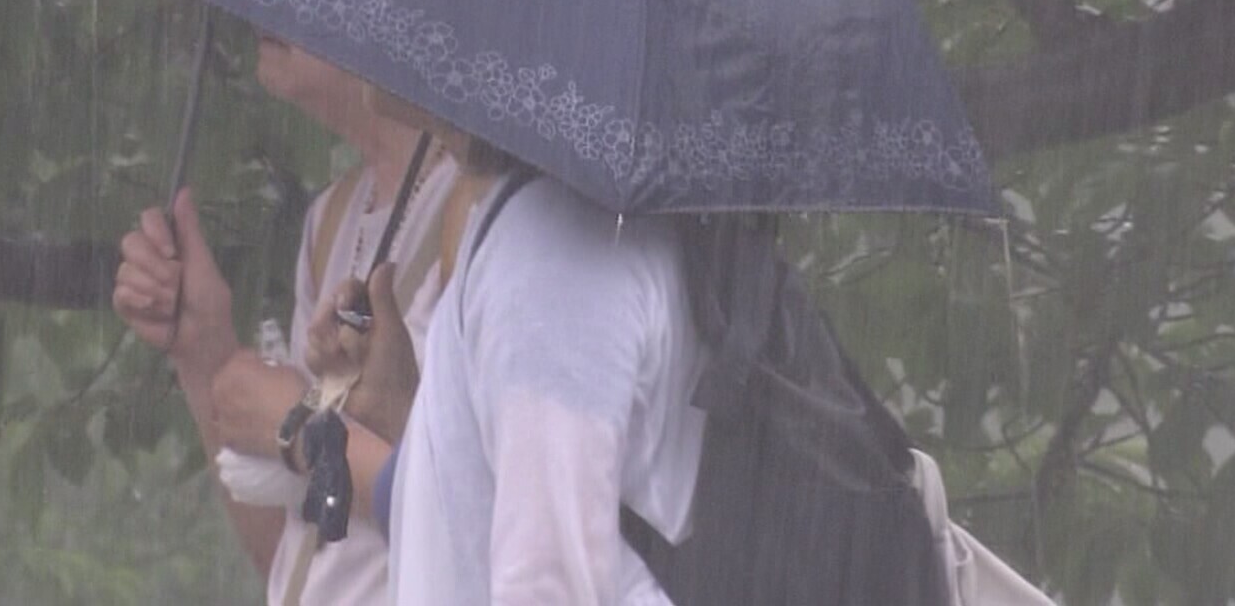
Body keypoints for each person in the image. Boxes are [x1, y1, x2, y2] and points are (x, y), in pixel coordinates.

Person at [309, 97, 947, 605]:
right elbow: (488, 531)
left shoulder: (551, 253)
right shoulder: (548, 234)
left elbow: (549, 585)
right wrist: (404, 412)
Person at [112, 35, 486, 605]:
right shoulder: (331, 220)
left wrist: (304, 431)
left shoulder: (480, 215)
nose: (270, 5)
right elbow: (297, 561)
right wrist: (203, 348)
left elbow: (486, 517)